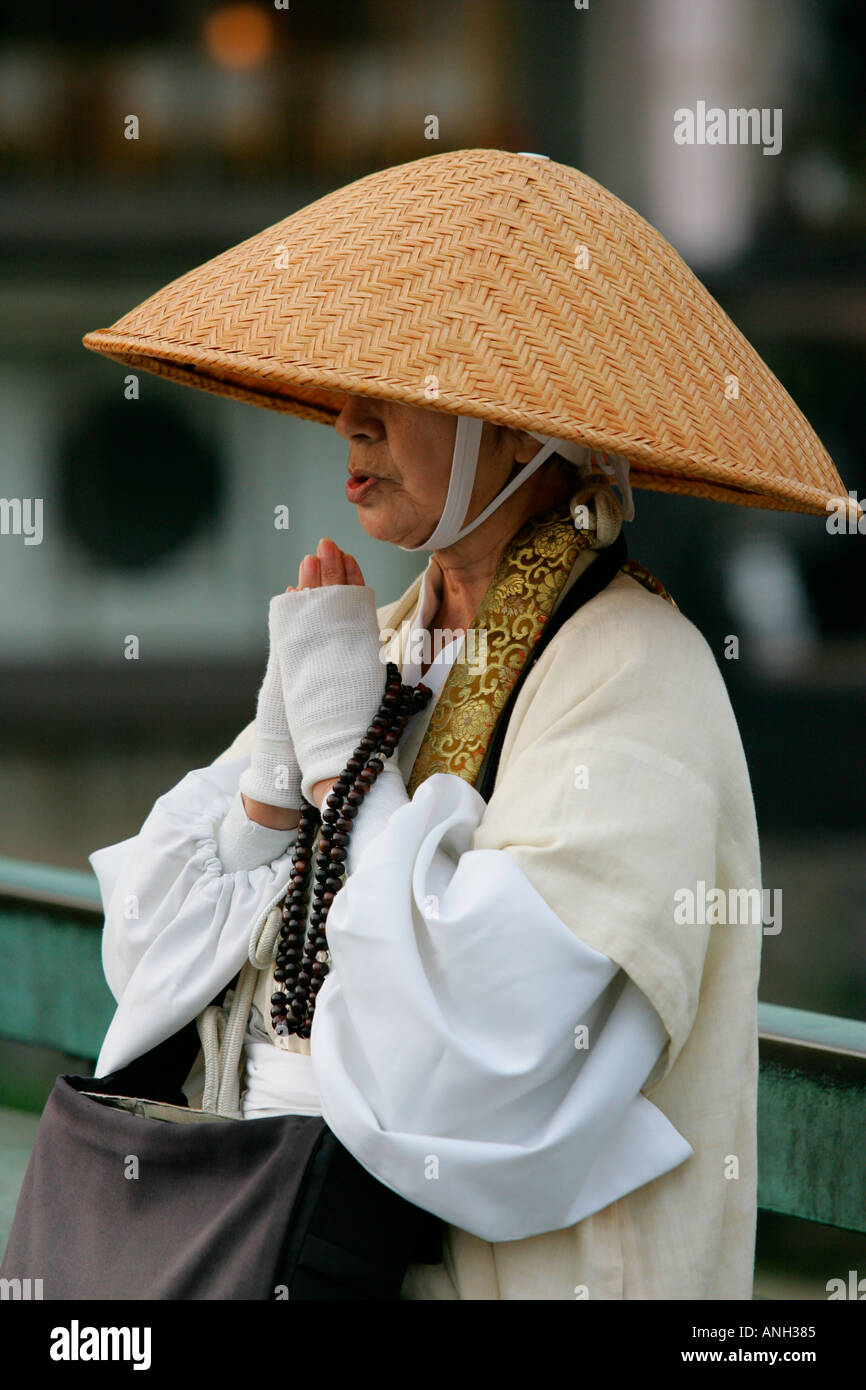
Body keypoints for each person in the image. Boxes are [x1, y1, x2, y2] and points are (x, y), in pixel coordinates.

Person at [82, 149, 855, 1299]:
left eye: (398, 385)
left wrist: (347, 765)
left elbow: (479, 1055)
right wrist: (271, 786)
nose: (349, 417)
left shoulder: (638, 675)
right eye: (346, 382)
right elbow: (145, 960)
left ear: (518, 431)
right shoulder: (387, 643)